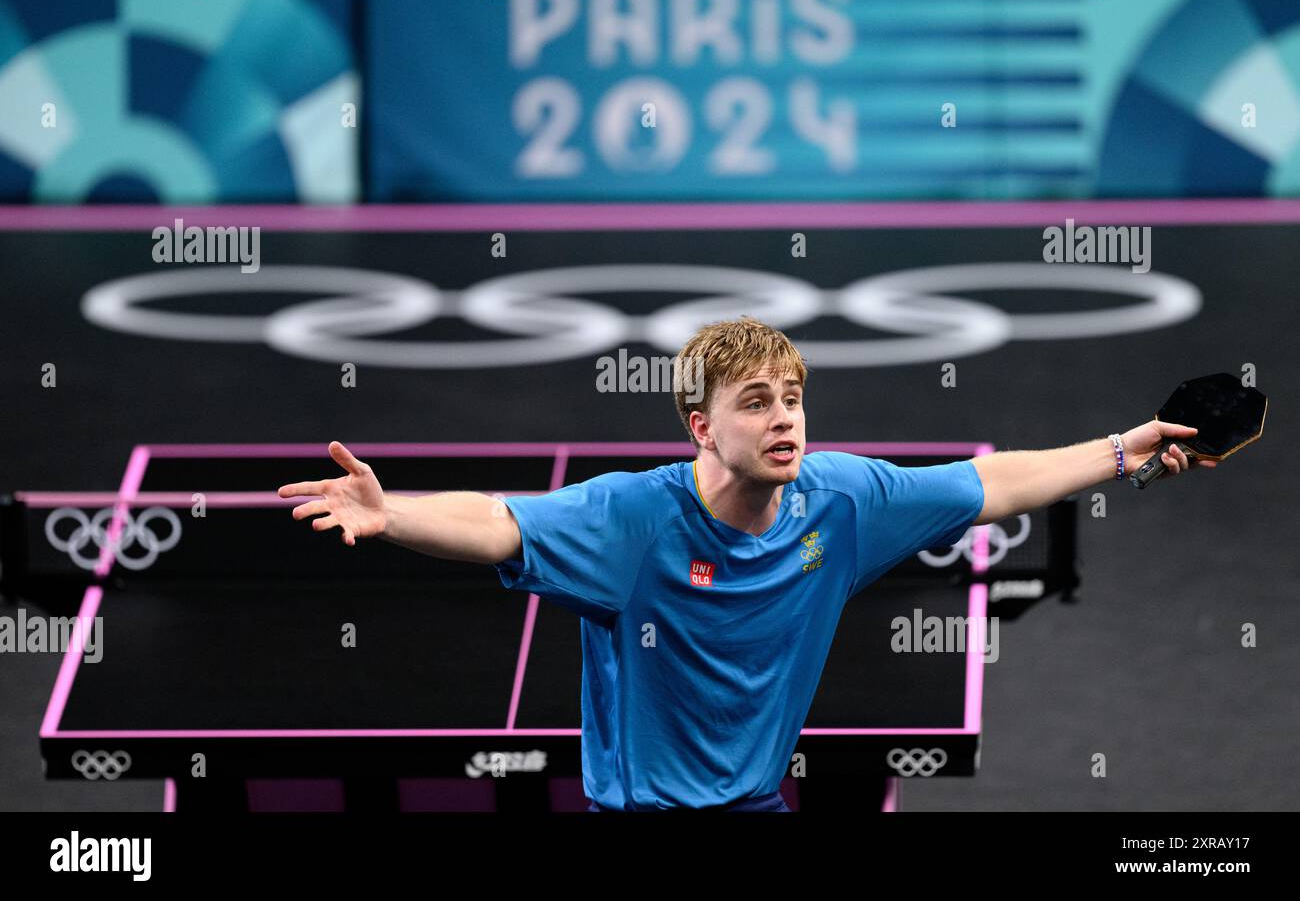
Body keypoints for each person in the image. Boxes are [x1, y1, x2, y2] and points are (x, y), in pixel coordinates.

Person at [277, 316, 1211, 811]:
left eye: (793, 398)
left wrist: (1123, 450)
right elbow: (497, 522)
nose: (784, 419)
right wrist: (387, 512)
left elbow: (992, 483)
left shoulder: (841, 503)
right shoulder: (633, 519)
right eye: (757, 401)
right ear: (701, 427)